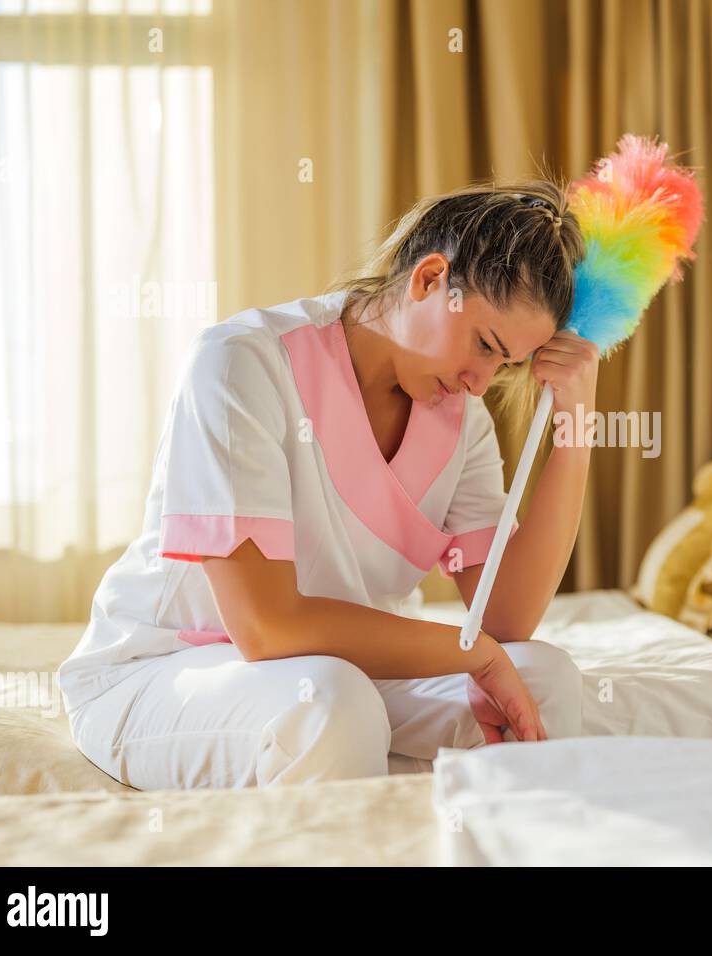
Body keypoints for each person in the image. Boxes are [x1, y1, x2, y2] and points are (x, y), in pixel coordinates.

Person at [58, 180, 599, 789]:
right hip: (175, 665)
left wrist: (575, 433)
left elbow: (501, 623)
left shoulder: (463, 422)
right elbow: (268, 628)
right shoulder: (241, 362)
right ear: (428, 280)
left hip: (346, 670)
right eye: (484, 345)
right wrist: (472, 653)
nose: (481, 382)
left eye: (506, 364)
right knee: (334, 706)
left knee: (544, 676)